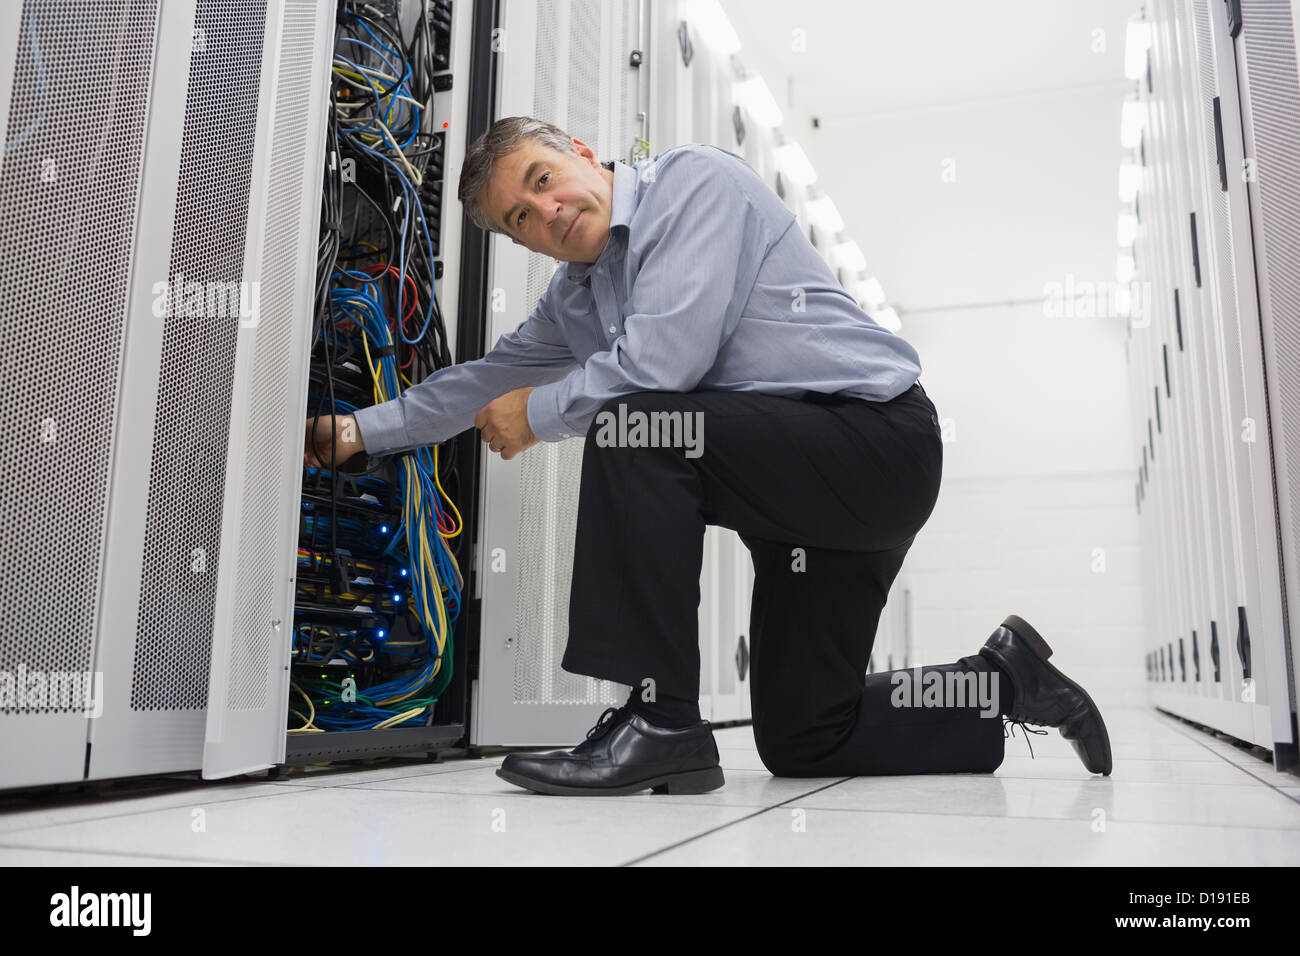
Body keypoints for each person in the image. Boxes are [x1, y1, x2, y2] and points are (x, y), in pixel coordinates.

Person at [304, 115, 1112, 796]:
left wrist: (538, 414)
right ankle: (1002, 681)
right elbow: (484, 379)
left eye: (543, 180)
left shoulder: (696, 186)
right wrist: (360, 431)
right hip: (802, 497)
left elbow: (661, 369)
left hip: (876, 445)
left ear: (583, 153)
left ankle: (661, 718)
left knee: (635, 424)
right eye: (519, 217)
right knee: (806, 737)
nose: (545, 211)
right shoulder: (575, 298)